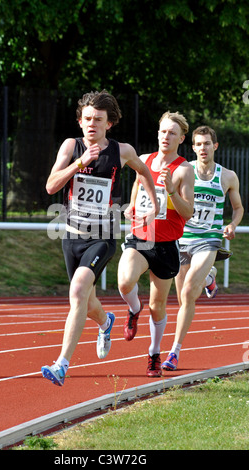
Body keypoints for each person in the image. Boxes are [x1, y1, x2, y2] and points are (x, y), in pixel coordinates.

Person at [42, 90, 159, 386]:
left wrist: (152, 203)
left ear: (109, 123)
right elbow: (51, 187)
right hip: (72, 235)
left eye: (99, 119)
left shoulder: (122, 151)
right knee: (87, 299)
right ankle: (106, 321)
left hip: (103, 237)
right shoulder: (71, 146)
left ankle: (61, 365)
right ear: (80, 122)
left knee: (79, 290)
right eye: (87, 119)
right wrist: (79, 163)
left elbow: (144, 171)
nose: (92, 124)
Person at [118, 111, 195, 377]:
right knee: (125, 282)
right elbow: (139, 185)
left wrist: (172, 189)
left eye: (172, 133)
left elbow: (188, 213)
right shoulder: (144, 160)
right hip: (141, 237)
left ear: (181, 138)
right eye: (163, 131)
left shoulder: (185, 169)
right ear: (158, 133)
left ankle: (153, 353)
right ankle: (133, 309)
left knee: (158, 305)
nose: (166, 136)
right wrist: (131, 207)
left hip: (166, 244)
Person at [162, 125, 244, 371]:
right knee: (181, 300)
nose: (202, 148)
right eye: (198, 144)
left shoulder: (227, 176)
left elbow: (238, 208)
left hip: (209, 240)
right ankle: (209, 277)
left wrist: (232, 224)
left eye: (207, 143)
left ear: (215, 146)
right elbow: (168, 198)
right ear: (193, 147)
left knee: (188, 292)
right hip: (183, 239)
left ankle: (174, 351)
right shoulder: (183, 171)